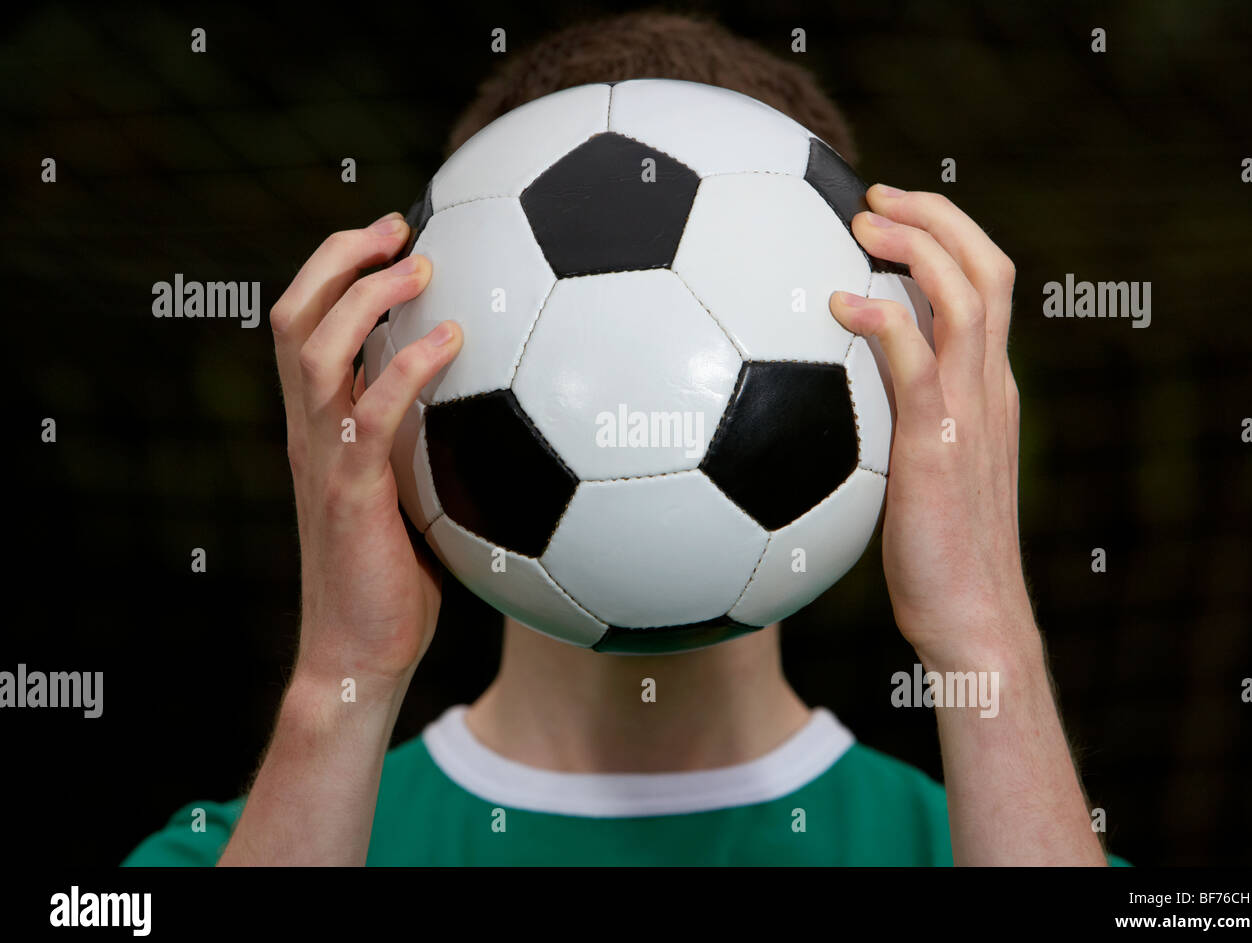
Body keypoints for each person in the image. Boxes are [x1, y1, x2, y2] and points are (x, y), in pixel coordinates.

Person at [124, 11, 1121, 866]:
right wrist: (342, 672)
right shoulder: (244, 843)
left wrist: (982, 633)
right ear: (402, 375)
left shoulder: (988, 835)